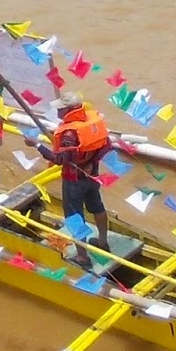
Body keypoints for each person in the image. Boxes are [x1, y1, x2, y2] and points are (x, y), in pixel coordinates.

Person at [35, 94, 112, 259]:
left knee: (74, 216)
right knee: (97, 206)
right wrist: (93, 161)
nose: (57, 111)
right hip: (92, 177)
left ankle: (82, 257)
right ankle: (103, 242)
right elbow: (107, 144)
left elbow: (59, 159)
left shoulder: (69, 134)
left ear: (69, 110)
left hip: (73, 181)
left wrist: (37, 145)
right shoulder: (90, 123)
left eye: (60, 109)